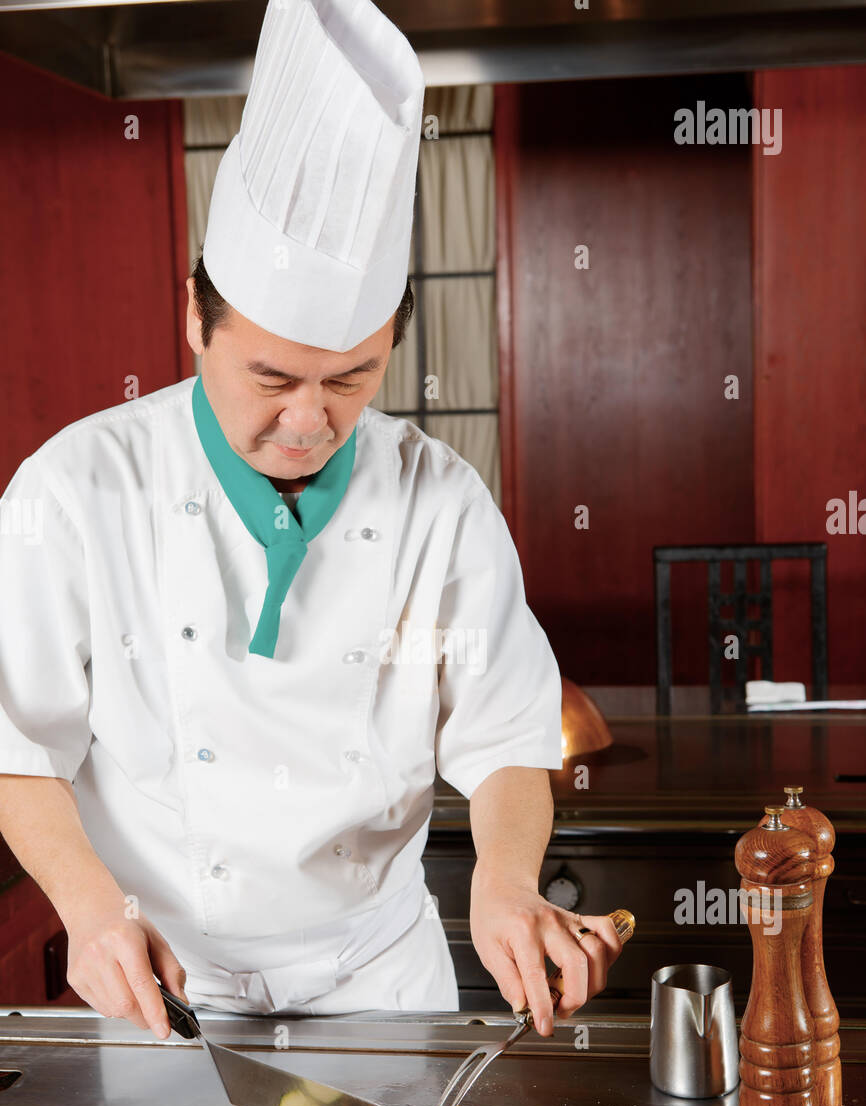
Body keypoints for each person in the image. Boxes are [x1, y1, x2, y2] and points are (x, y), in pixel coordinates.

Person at [0, 0, 622, 1038]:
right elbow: (20, 749)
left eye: (351, 379)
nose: (307, 420)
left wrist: (507, 883)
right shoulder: (74, 491)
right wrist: (90, 909)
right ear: (193, 320)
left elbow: (507, 733)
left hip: (376, 978)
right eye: (272, 375)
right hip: (166, 987)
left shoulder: (439, 501)